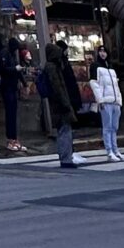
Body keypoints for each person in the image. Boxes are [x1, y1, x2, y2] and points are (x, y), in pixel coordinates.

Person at [39, 39, 79, 167]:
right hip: (60, 105)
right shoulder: (53, 68)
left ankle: (66, 157)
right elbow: (58, 87)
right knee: (65, 131)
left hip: (57, 104)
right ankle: (66, 159)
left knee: (64, 130)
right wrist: (66, 103)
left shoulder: (52, 66)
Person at [91, 50, 124, 160]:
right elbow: (94, 84)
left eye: (104, 51)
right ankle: (109, 151)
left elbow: (116, 86)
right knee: (107, 126)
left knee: (114, 127)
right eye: (100, 51)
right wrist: (100, 100)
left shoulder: (111, 67)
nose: (102, 53)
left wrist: (119, 100)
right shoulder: (95, 66)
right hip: (105, 101)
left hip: (115, 101)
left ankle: (115, 150)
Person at [0, 38, 24, 152]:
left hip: (12, 87)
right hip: (7, 87)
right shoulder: (5, 53)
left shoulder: (11, 55)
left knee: (13, 113)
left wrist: (23, 83)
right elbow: (3, 69)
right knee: (10, 113)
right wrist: (15, 69)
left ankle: (14, 138)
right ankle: (11, 139)